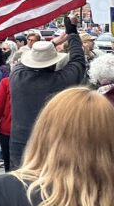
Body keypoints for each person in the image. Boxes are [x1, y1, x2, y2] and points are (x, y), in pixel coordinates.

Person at [9, 15, 86, 165]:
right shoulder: (62, 80)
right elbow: (78, 60)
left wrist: (52, 44)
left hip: (20, 141)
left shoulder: (17, 76)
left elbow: (24, 59)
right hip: (52, 143)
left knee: (19, 177)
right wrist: (72, 31)